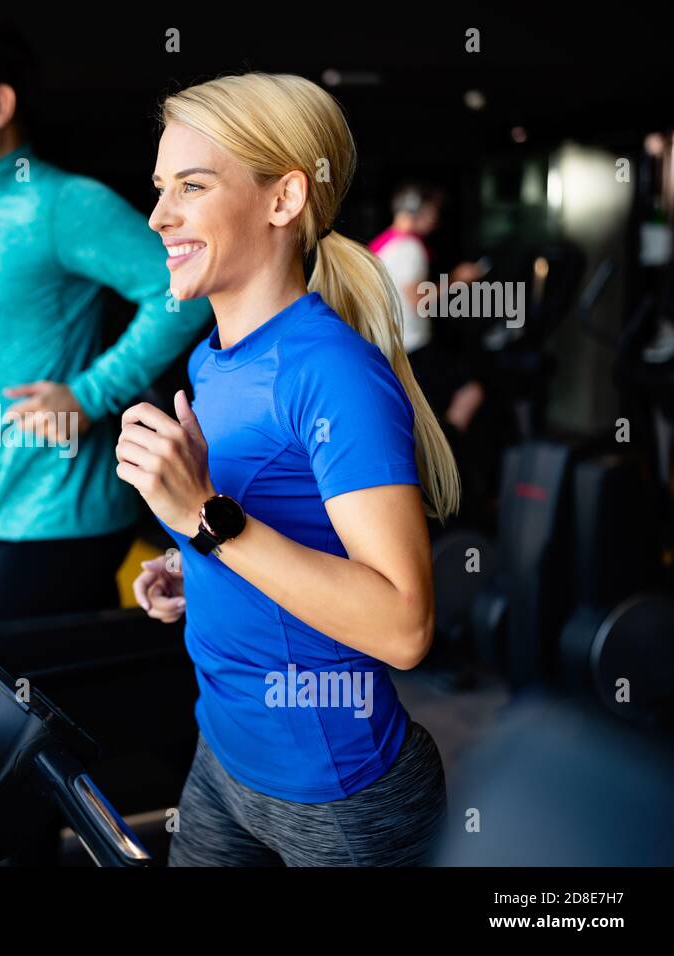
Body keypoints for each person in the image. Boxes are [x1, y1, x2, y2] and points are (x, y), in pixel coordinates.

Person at [119, 73, 453, 866]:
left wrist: (208, 519)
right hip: (224, 752)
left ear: (283, 200)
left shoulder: (331, 373)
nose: (160, 215)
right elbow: (282, 539)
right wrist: (189, 559)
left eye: (191, 186)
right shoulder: (210, 360)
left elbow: (405, 627)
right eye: (161, 188)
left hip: (339, 792)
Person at [0, 26, 213, 620]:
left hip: (65, 502)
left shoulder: (63, 203)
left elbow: (184, 293)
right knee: (64, 688)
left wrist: (88, 394)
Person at [370, 183, 485, 434]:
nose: (436, 220)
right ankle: (449, 456)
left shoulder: (382, 246)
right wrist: (458, 279)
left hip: (388, 346)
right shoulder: (411, 248)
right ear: (416, 211)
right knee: (470, 392)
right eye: (433, 212)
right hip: (412, 348)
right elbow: (418, 299)